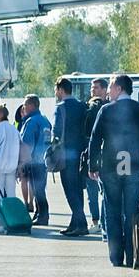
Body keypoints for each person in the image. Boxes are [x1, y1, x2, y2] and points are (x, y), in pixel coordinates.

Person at [87, 74, 139, 267]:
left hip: (110, 167)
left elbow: (95, 139)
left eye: (110, 87)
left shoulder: (106, 110)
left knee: (112, 211)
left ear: (119, 88)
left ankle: (116, 257)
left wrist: (93, 165)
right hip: (133, 167)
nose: (108, 91)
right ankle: (132, 254)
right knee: (132, 211)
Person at [54, 78, 89, 235]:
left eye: (56, 90)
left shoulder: (60, 108)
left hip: (65, 154)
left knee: (70, 190)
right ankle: (76, 223)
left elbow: (56, 132)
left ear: (61, 90)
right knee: (77, 189)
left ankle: (80, 224)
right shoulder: (82, 106)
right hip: (80, 153)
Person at [81, 77, 109, 237]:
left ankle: (100, 223)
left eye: (97, 88)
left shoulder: (98, 108)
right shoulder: (93, 107)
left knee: (99, 191)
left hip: (100, 153)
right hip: (94, 152)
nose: (93, 91)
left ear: (105, 90)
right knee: (95, 191)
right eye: (92, 88)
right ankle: (97, 222)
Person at [18, 94, 52, 225]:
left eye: (25, 105)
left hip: (33, 161)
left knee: (38, 190)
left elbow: (27, 144)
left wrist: (22, 163)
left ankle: (43, 216)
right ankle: (39, 213)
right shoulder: (44, 120)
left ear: (32, 105)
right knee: (40, 189)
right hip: (43, 160)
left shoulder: (31, 122)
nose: (24, 107)